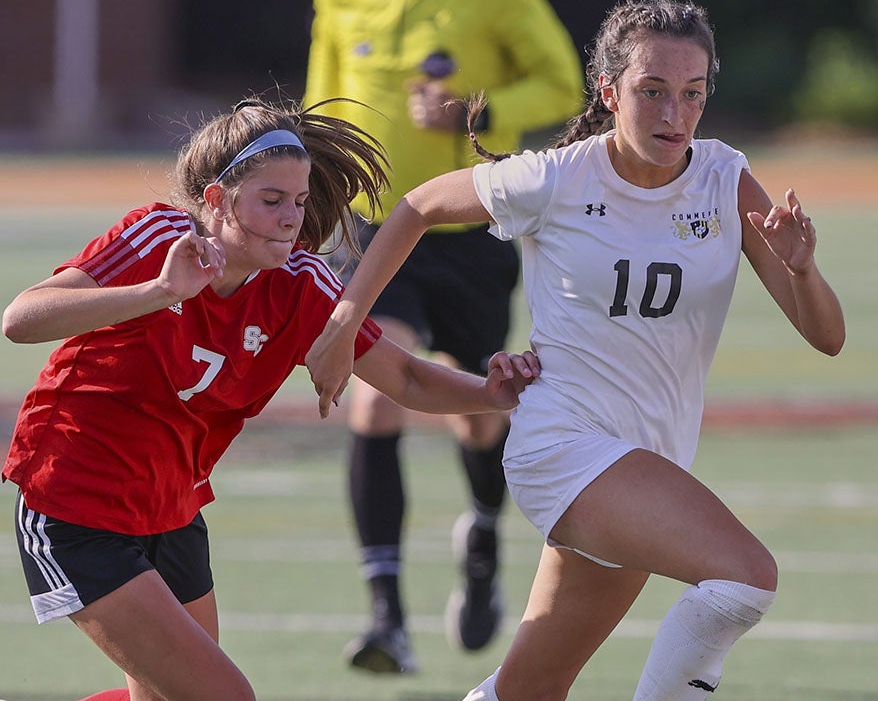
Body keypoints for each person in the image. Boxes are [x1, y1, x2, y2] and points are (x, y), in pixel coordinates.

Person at [305, 0, 845, 701]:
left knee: (531, 689)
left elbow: (826, 337)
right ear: (609, 90)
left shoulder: (723, 177)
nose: (673, 115)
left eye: (693, 94)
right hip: (562, 446)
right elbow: (418, 206)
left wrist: (801, 267)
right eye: (651, 92)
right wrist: (346, 320)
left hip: (648, 460)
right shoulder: (557, 178)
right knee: (744, 577)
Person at [2, 97, 539, 701]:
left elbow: (408, 379)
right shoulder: (158, 239)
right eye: (272, 200)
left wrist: (499, 395)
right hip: (74, 504)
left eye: (301, 202)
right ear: (216, 200)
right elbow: (22, 318)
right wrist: (158, 292)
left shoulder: (301, 285)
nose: (292, 219)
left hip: (170, 506)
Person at [302, 0, 583, 670]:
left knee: (481, 414)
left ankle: (483, 535)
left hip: (471, 232)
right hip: (373, 234)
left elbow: (562, 86)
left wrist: (478, 114)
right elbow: (318, 111)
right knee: (373, 400)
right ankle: (386, 617)